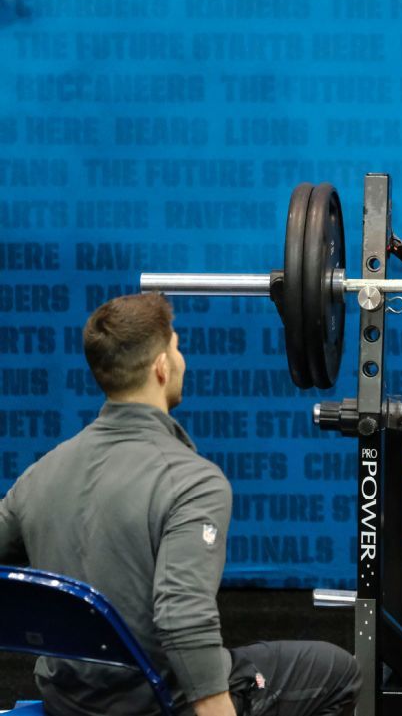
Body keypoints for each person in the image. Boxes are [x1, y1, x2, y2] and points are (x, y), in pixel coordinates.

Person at [0, 293, 360, 716]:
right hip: (158, 703)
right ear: (161, 366)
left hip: (69, 702)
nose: (181, 359)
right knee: (340, 671)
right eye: (177, 347)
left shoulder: (39, 475)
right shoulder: (193, 481)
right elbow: (182, 617)